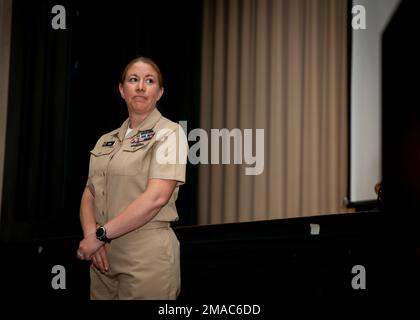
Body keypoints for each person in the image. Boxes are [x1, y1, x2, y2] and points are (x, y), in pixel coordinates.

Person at [77, 56, 187, 300]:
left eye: (149, 81)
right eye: (133, 79)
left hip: (146, 256)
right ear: (121, 89)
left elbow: (156, 197)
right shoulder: (106, 140)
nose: (140, 86)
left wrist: (99, 235)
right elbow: (89, 193)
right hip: (102, 257)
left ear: (159, 92)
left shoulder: (170, 133)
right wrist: (92, 238)